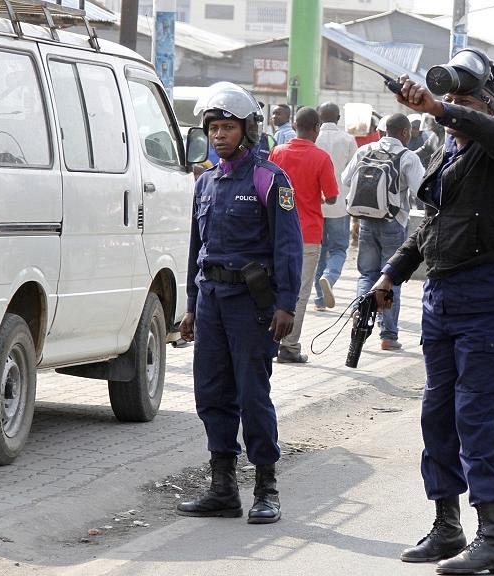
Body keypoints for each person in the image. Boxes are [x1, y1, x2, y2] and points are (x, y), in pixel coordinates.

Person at [371, 50, 494, 573]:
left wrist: (439, 107)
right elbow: (430, 226)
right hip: (442, 297)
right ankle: (447, 524)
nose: (451, 111)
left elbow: (489, 131)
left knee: (474, 415)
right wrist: (392, 270)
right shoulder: (449, 155)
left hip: (488, 295)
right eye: (449, 101)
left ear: (485, 105)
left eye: (464, 103)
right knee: (437, 415)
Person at [177, 82, 303, 524]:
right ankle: (223, 488)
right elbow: (197, 250)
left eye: (227, 127)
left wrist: (287, 304)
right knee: (212, 394)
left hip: (252, 305)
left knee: (253, 396)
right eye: (212, 128)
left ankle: (266, 488)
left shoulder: (270, 179)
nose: (218, 135)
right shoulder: (206, 183)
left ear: (247, 130)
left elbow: (289, 246)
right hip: (210, 302)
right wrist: (191, 306)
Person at [341, 113, 424, 351]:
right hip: (394, 221)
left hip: (366, 219)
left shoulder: (365, 150)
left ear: (383, 131)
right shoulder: (408, 157)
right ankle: (388, 336)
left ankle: (359, 322)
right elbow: (420, 191)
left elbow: (346, 179)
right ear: (405, 133)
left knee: (366, 274)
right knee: (392, 276)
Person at [268, 108, 340, 364]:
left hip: (276, 231)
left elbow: (267, 186)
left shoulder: (278, 152)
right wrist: (315, 197)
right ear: (316, 128)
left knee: (274, 286)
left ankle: (269, 341)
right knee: (298, 292)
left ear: (294, 124)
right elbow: (331, 196)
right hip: (308, 234)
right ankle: (289, 346)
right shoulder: (321, 158)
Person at [313, 102, 358, 312]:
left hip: (315, 205)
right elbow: (354, 174)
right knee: (339, 248)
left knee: (319, 251)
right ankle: (329, 277)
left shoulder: (313, 138)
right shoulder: (348, 139)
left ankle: (320, 299)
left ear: (319, 118)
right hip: (339, 205)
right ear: (338, 118)